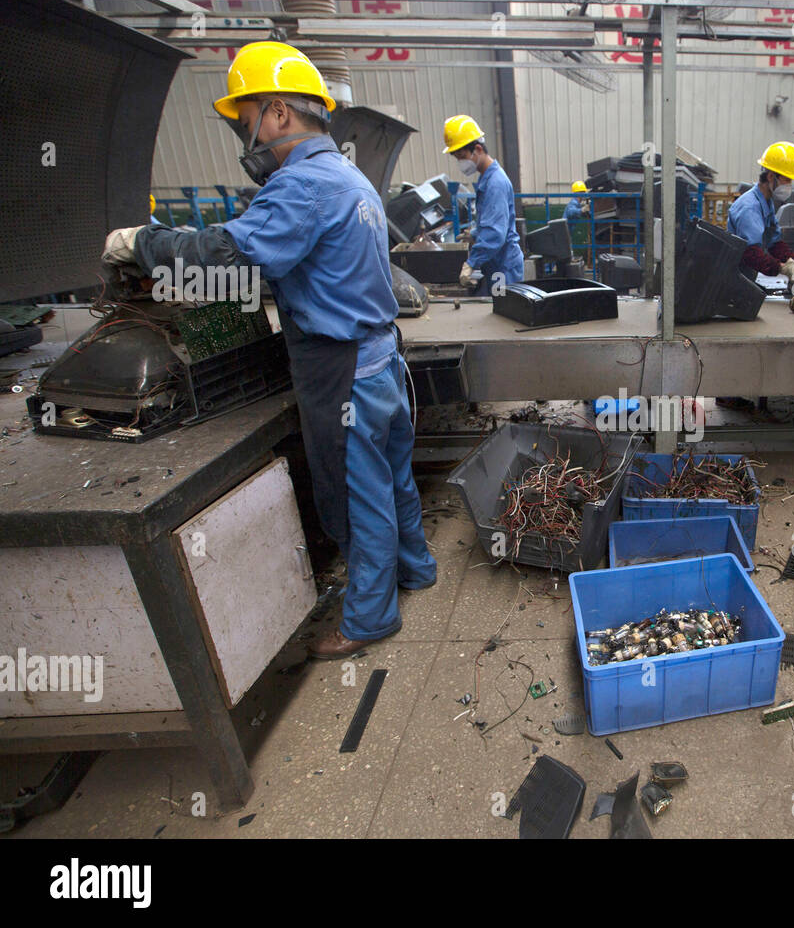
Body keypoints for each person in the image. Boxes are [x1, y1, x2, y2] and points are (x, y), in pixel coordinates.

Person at [101, 41, 436, 657]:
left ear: (278, 112)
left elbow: (232, 252)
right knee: (393, 480)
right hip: (382, 361)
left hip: (343, 376)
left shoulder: (303, 184)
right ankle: (416, 569)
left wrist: (143, 243)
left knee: (359, 499)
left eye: (244, 117)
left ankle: (369, 619)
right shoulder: (348, 175)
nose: (243, 134)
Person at [444, 114, 524, 295]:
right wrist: (474, 233)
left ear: (478, 149)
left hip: (503, 267)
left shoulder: (494, 183)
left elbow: (495, 233)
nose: (461, 163)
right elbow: (491, 221)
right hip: (497, 263)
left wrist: (471, 263)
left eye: (462, 156)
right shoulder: (487, 179)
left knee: (503, 316)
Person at [727, 141, 794, 281]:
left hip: (745, 274)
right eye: (786, 180)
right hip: (733, 276)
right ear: (771, 177)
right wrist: (781, 268)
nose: (789, 186)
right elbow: (750, 254)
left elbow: (774, 243)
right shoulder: (750, 207)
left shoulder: (766, 202)